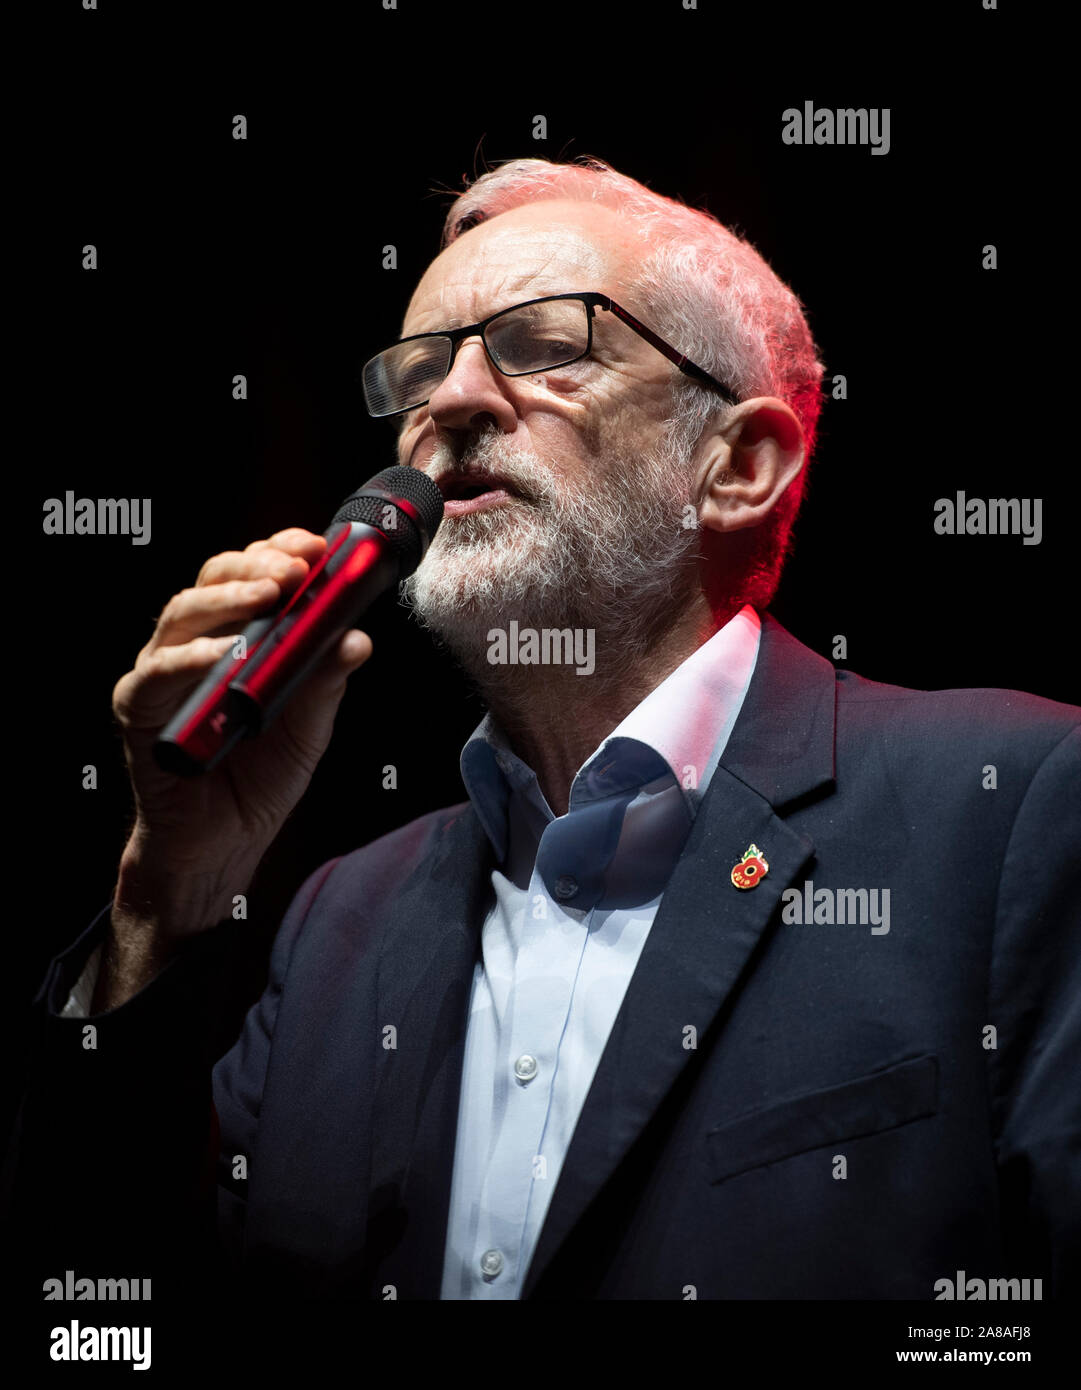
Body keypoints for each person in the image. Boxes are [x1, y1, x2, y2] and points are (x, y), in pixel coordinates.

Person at [8, 157, 1079, 1302]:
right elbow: (102, 1305)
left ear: (740, 466)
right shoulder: (337, 917)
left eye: (544, 345)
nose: (453, 400)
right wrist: (166, 891)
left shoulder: (1011, 802)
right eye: (421, 368)